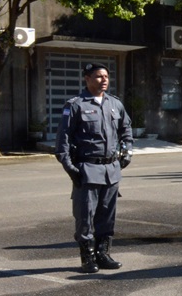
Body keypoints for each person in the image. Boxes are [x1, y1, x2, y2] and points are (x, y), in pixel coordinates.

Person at [55, 62, 133, 273]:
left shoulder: (115, 104)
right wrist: (70, 167)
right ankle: (87, 257)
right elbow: (62, 141)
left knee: (107, 216)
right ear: (87, 79)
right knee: (85, 216)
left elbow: (126, 129)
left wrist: (127, 152)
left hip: (111, 170)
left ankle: (103, 253)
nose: (104, 80)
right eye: (98, 76)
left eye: (106, 76)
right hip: (87, 169)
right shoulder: (75, 105)